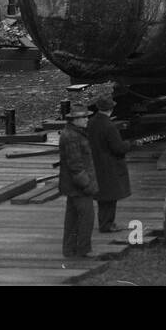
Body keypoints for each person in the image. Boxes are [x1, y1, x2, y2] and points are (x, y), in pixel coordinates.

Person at [86, 93, 131, 233]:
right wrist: (128, 144)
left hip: (95, 162)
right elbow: (118, 148)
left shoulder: (91, 122)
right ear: (111, 109)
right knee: (111, 196)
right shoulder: (109, 126)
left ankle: (104, 222)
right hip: (110, 165)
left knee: (102, 197)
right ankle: (108, 224)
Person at [59, 106, 98, 259]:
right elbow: (76, 166)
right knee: (86, 218)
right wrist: (87, 185)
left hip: (72, 186)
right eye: (84, 117)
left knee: (73, 219)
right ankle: (82, 250)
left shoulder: (73, 133)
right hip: (79, 187)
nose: (87, 119)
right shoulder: (73, 137)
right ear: (75, 120)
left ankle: (70, 250)